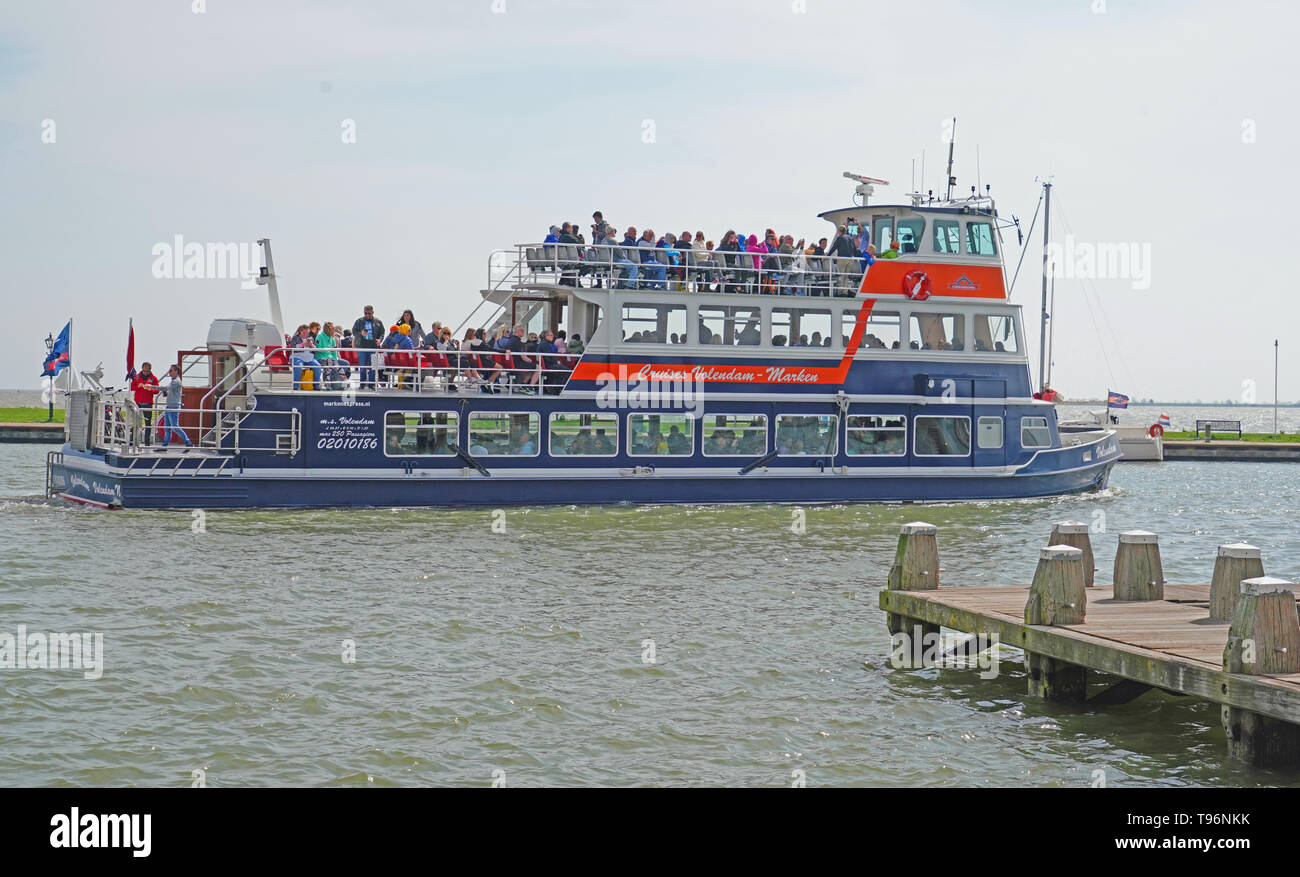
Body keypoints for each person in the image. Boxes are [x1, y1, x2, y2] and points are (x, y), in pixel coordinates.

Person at [156, 364, 192, 448]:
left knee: (174, 427)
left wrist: (151, 386)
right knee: (167, 428)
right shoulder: (173, 381)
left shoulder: (176, 382)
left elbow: (165, 388)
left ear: (176, 371)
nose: (169, 372)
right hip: (169, 407)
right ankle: (165, 445)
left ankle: (187, 441)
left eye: (171, 370)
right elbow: (169, 391)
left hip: (174, 407)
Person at [352, 305, 385, 388]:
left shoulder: (378, 321)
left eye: (369, 313)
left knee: (373, 367)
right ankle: (362, 384)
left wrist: (379, 340)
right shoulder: (359, 321)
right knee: (362, 367)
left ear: (373, 312)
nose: (367, 315)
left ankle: (372, 384)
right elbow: (354, 331)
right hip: (362, 347)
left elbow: (382, 332)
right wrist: (361, 334)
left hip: (373, 347)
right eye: (366, 313)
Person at [130, 361, 160, 445]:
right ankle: (133, 441)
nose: (145, 372)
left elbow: (157, 390)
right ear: (142, 369)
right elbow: (132, 388)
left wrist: (150, 389)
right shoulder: (136, 377)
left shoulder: (154, 378)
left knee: (148, 423)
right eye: (144, 370)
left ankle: (147, 442)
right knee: (135, 422)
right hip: (137, 403)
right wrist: (138, 387)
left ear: (150, 370)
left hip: (148, 403)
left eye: (147, 371)